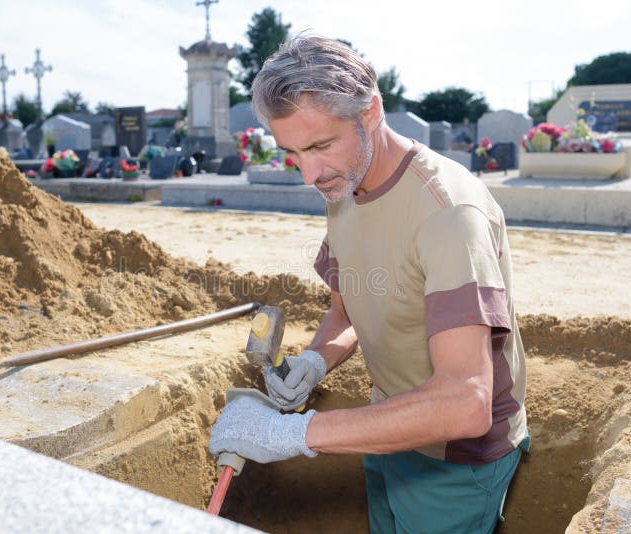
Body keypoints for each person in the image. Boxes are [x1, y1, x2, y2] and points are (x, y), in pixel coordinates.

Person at [209, 34, 529, 534]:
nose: (309, 172)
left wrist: (294, 433)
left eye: (319, 145)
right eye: (292, 151)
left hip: (454, 461)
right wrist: (316, 361)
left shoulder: (447, 213)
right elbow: (347, 312)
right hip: (385, 428)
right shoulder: (343, 182)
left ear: (371, 111)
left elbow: (464, 403)